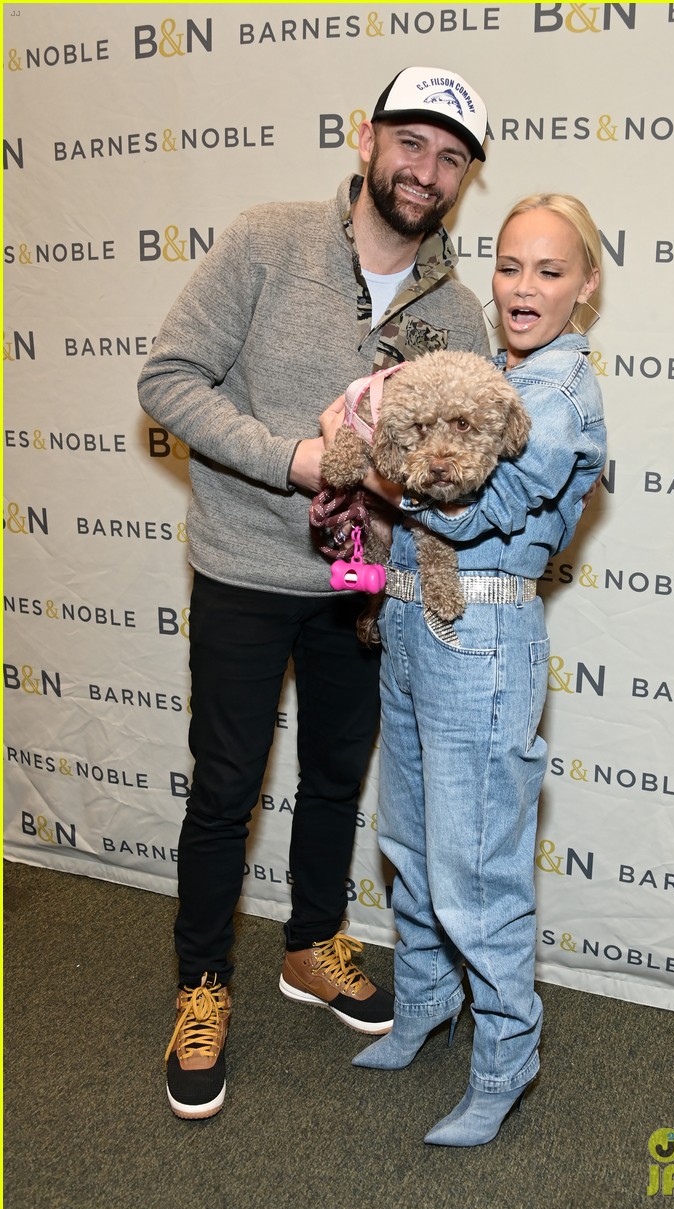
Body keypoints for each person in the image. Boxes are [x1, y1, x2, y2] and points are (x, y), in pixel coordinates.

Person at [137, 65, 492, 1121]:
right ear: (365, 138)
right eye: (411, 144)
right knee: (225, 787)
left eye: (451, 158)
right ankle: (202, 986)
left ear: (464, 178)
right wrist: (296, 459)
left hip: (362, 585)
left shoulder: (459, 307)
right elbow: (168, 380)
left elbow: (456, 459)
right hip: (245, 568)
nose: (425, 172)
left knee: (337, 776)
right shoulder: (265, 238)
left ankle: (308, 944)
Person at [322, 193, 606, 1146]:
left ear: (586, 287)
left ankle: (506, 1056)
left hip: (480, 641)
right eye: (512, 266)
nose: (524, 288)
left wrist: (371, 467)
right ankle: (428, 1005)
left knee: (474, 871)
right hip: (407, 627)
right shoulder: (486, 372)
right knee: (407, 843)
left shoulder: (559, 393)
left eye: (550, 270)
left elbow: (470, 505)